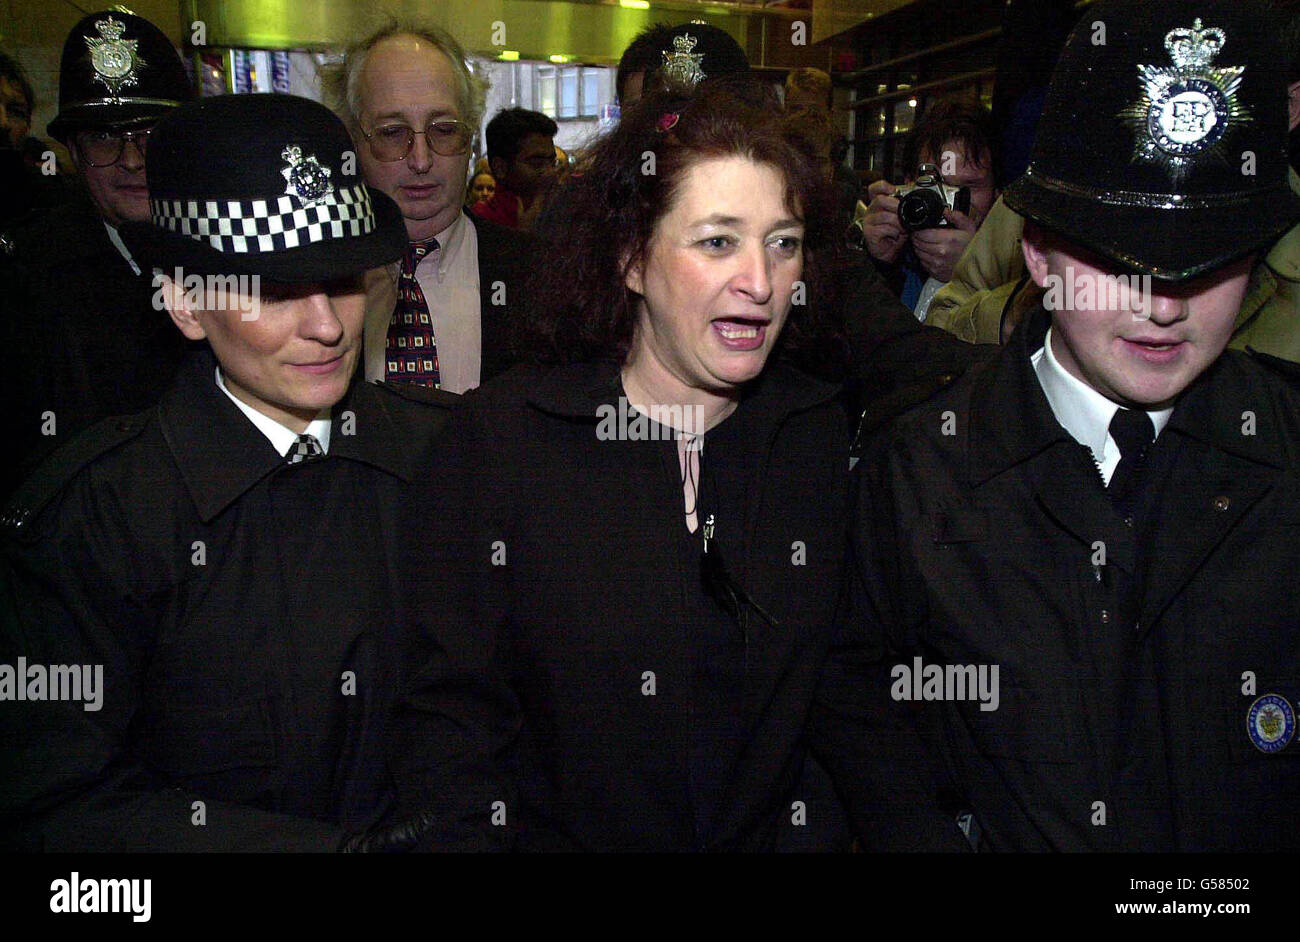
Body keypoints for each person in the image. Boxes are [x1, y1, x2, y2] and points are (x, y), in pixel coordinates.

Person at [811, 0, 1300, 851]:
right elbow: (863, 717)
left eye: (1210, 259)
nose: (1163, 306)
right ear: (1037, 254)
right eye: (1120, 257)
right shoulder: (918, 474)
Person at [0, 92, 510, 852]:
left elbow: (497, 706)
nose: (328, 326)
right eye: (273, 291)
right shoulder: (96, 523)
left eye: (341, 279)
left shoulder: (444, 455)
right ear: (184, 304)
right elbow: (61, 808)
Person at [422, 80, 849, 851]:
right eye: (718, 240)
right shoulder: (505, 442)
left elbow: (834, 711)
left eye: (782, 243)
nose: (760, 281)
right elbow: (451, 728)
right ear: (630, 261)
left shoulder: (814, 437)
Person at [0, 12, 195, 495]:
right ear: (71, 149)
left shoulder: (243, 251)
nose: (131, 160)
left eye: (150, 135)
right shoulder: (25, 278)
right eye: (104, 137)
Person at [325, 19, 534, 394]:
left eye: (444, 129)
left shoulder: (541, 275)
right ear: (353, 142)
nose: (421, 160)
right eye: (392, 132)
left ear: (470, 139)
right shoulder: (314, 282)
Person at [859, 98, 998, 322]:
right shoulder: (894, 255)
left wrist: (971, 275)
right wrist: (877, 265)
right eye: (937, 185)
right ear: (908, 186)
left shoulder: (1024, 276)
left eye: (969, 187)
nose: (949, 205)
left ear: (997, 193)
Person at [471, 107, 558, 230]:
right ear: (500, 168)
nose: (550, 172)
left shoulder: (559, 214)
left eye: (553, 162)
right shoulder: (480, 223)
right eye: (537, 163)